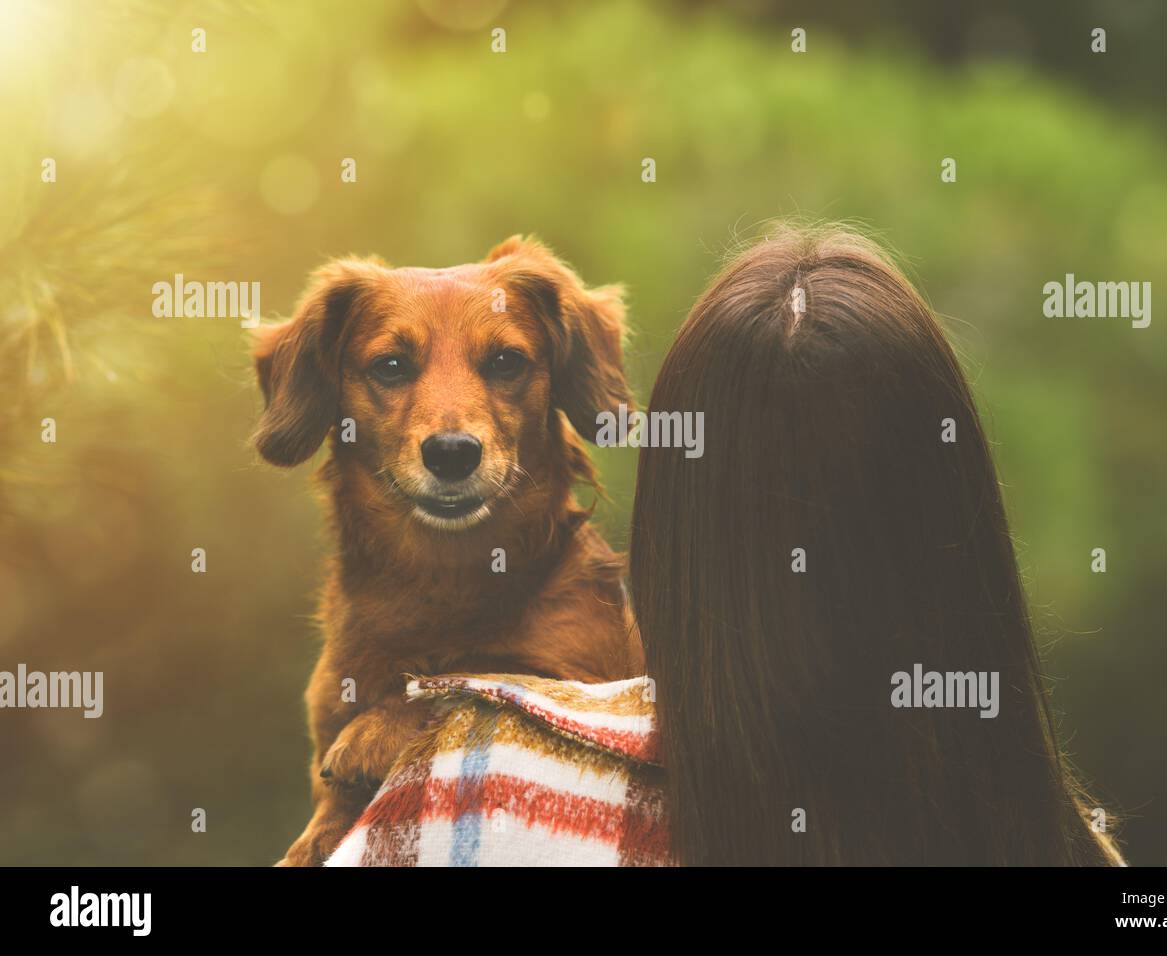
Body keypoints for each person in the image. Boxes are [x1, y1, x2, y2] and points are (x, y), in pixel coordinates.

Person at [325, 223, 1124, 867]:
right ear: (965, 520)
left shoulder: (473, 782)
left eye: (503, 364)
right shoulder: (1070, 843)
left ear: (675, 518)